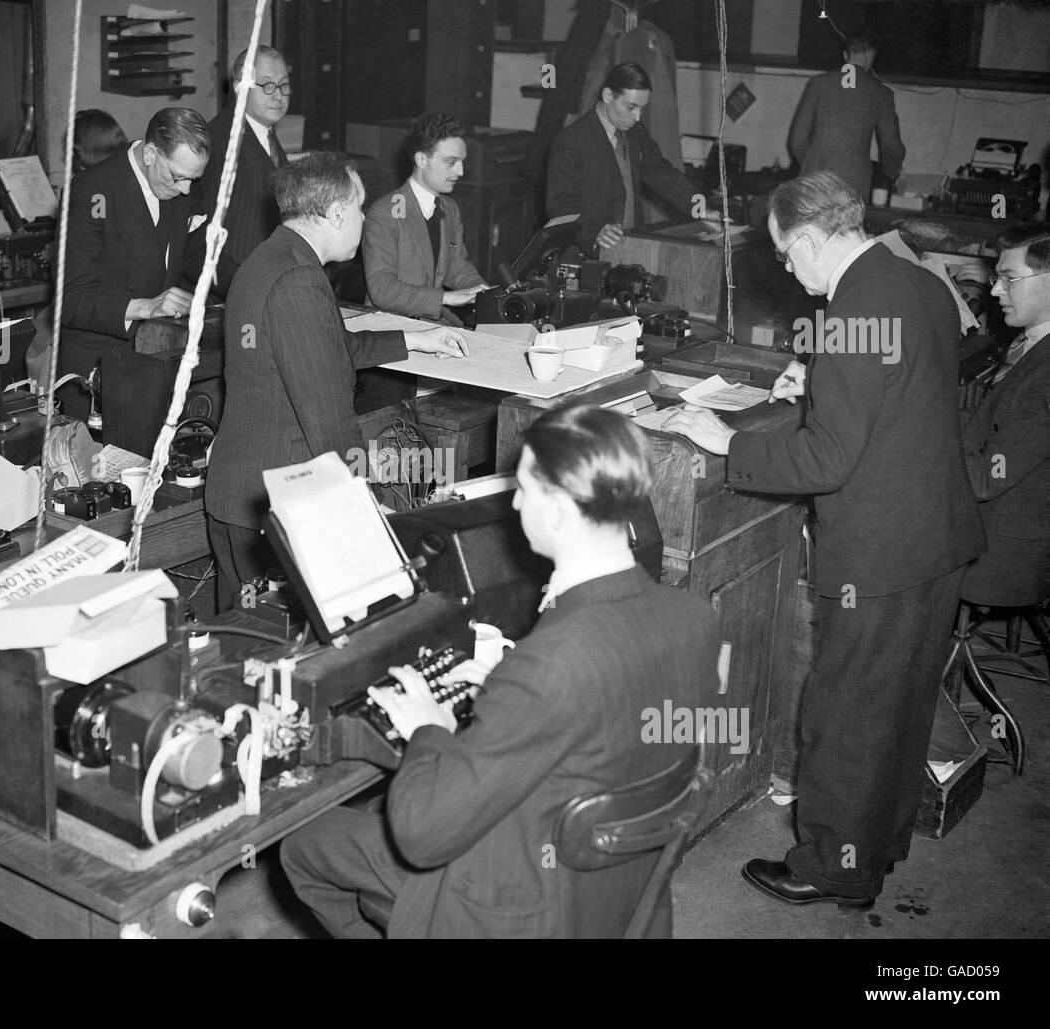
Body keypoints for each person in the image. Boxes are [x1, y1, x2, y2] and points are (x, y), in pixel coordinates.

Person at [280, 404, 722, 938]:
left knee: (306, 844)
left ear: (557, 509)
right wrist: (511, 681)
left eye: (524, 488)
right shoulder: (695, 618)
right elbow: (608, 720)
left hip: (518, 910)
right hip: (622, 893)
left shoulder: (549, 666)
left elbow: (423, 836)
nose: (513, 501)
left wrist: (429, 729)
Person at [666, 171, 984, 908]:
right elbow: (908, 385)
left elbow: (825, 460)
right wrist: (819, 384)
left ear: (807, 238)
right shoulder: (921, 282)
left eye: (784, 254)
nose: (787, 269)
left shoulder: (850, 309)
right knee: (901, 706)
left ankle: (830, 866)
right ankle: (876, 845)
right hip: (937, 535)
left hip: (879, 547)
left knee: (845, 711)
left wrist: (725, 444)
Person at [204, 152, 468, 610]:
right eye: (361, 207)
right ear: (336, 212)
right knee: (277, 650)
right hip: (276, 502)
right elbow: (328, 417)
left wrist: (419, 339)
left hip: (239, 488)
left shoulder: (270, 258)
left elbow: (331, 348)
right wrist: (363, 502)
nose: (365, 218)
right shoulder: (299, 279)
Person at [59, 107, 210, 420]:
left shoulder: (183, 183)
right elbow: (70, 301)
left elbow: (196, 261)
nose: (186, 190)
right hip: (98, 371)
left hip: (157, 358)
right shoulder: (91, 191)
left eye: (193, 179)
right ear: (151, 152)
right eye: (179, 177)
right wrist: (147, 307)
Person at [959, 224, 1050, 607]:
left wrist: (921, 417)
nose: (995, 290)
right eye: (997, 278)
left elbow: (985, 479)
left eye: (1009, 279)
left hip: (1002, 554)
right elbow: (987, 422)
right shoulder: (1029, 341)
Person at [546, 61, 707, 255]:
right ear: (608, 96)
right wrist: (595, 231)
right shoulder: (571, 140)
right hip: (587, 255)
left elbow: (660, 171)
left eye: (642, 108)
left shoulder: (635, 132)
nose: (637, 117)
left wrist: (700, 207)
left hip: (630, 246)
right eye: (631, 107)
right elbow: (562, 207)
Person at [362, 112, 487, 322]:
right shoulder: (385, 213)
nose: (461, 171)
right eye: (451, 162)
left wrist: (485, 293)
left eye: (462, 162)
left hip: (431, 321)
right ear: (421, 159)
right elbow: (381, 288)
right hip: (390, 324)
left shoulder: (450, 209)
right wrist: (445, 298)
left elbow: (456, 266)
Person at [199, 45, 293, 297]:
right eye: (267, 85)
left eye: (284, 85)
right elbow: (201, 232)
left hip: (268, 281)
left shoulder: (266, 134)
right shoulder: (218, 140)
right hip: (234, 290)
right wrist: (241, 285)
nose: (278, 96)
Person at [787, 32, 904, 202]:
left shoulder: (818, 84)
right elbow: (891, 146)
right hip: (853, 186)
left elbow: (797, 140)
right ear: (871, 55)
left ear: (845, 55)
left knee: (810, 228)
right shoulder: (881, 94)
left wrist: (813, 166)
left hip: (813, 185)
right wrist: (891, 171)